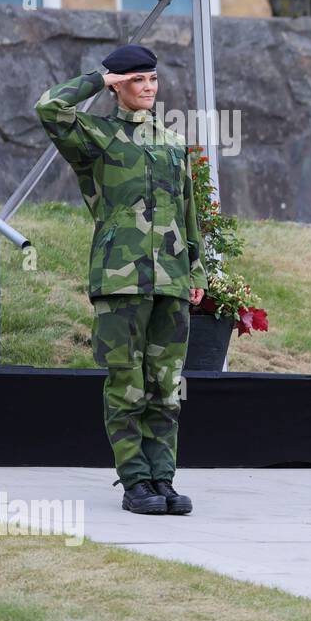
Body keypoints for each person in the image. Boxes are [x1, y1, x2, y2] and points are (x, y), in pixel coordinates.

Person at [35, 44, 207, 515]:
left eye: (152, 79)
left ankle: (163, 480)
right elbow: (50, 107)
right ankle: (135, 482)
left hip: (170, 280)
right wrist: (98, 78)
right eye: (136, 80)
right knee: (126, 383)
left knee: (166, 386)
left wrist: (197, 268)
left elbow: (189, 212)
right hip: (120, 279)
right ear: (117, 86)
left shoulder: (173, 144)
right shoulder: (95, 136)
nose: (148, 88)